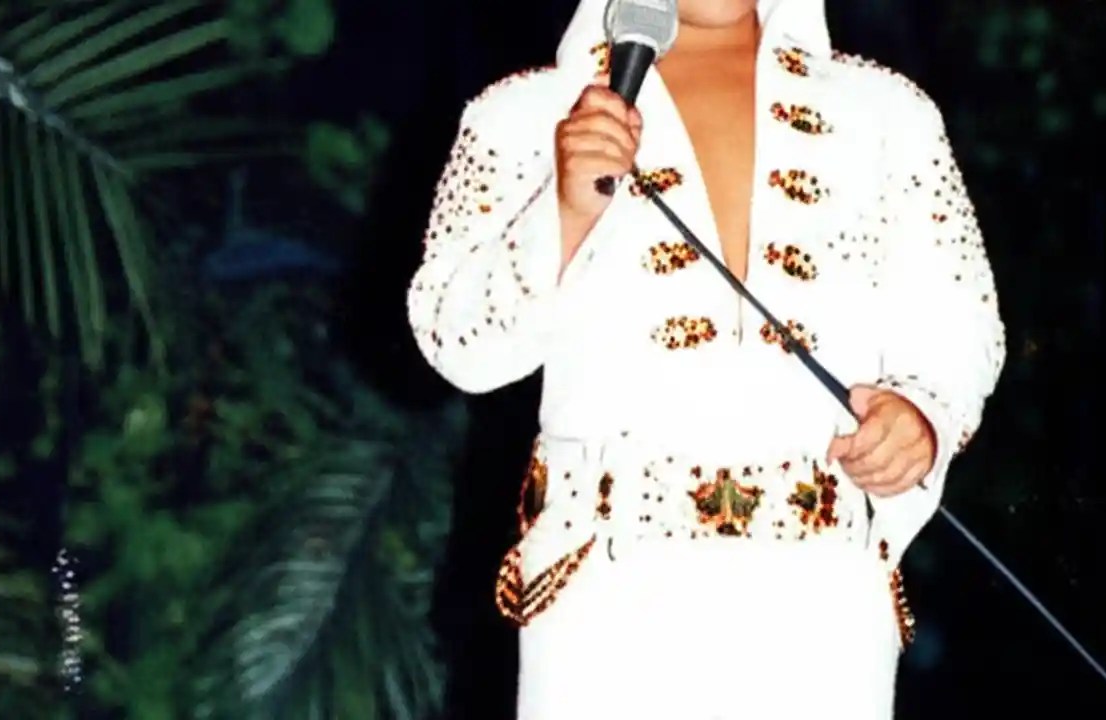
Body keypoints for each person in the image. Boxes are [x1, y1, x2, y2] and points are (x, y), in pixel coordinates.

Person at [408, 0, 1006, 716]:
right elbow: (457, 341)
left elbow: (960, 329)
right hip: (606, 598)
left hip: (820, 603)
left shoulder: (887, 114)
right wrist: (563, 211)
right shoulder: (522, 113)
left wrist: (922, 417)